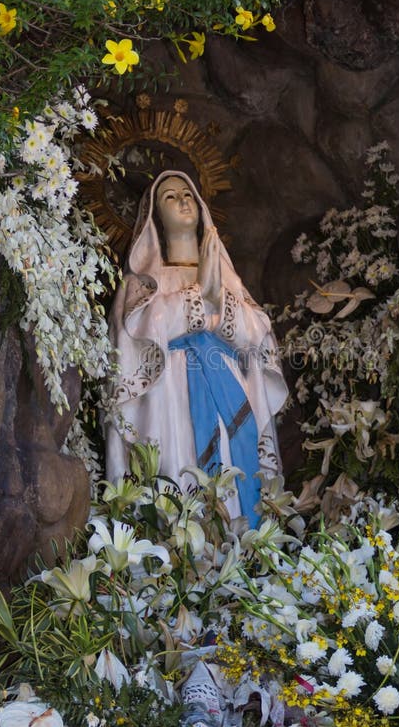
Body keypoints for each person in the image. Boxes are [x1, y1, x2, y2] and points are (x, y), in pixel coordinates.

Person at [105, 170, 288, 526]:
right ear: (156, 217)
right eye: (169, 197)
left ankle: (238, 543)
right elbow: (138, 333)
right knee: (178, 463)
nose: (182, 200)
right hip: (167, 396)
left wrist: (217, 296)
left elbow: (257, 335)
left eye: (187, 193)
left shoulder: (225, 277)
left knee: (229, 459)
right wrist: (200, 298)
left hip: (227, 382)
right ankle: (181, 555)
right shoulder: (141, 281)